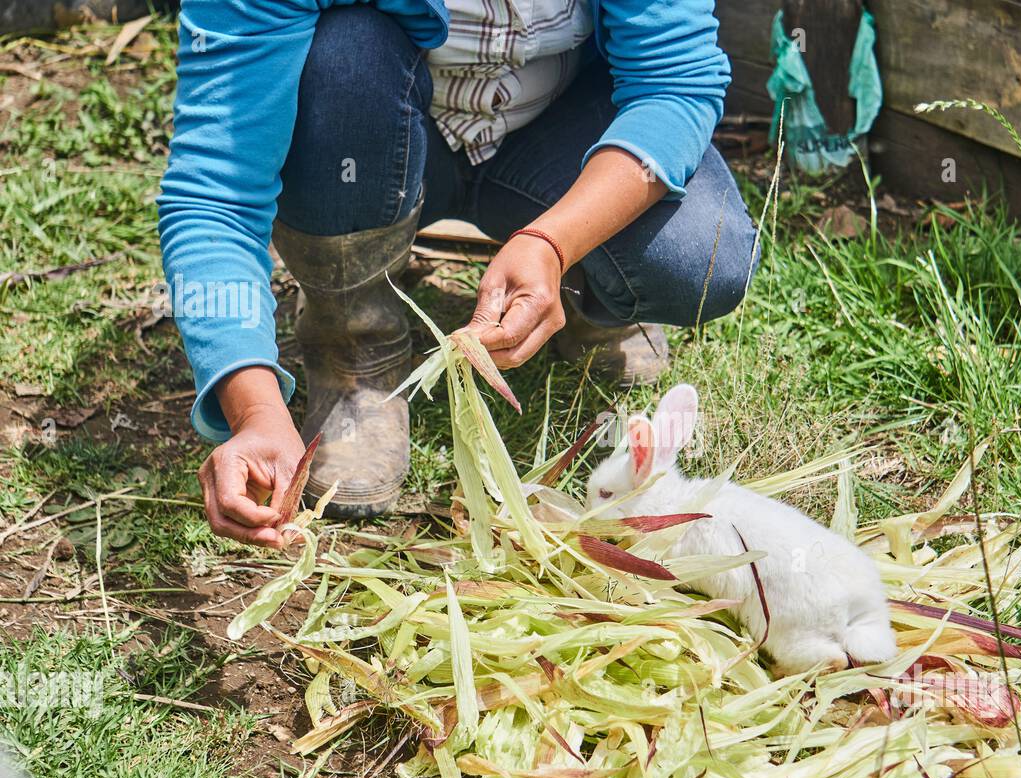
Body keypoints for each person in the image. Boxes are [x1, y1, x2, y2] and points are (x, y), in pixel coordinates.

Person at [157, 0, 760, 547]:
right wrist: (254, 408)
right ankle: (354, 345)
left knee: (695, 256)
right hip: (374, 138)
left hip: (556, 131)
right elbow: (215, 190)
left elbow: (674, 83)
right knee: (345, 58)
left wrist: (555, 241)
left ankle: (578, 292)